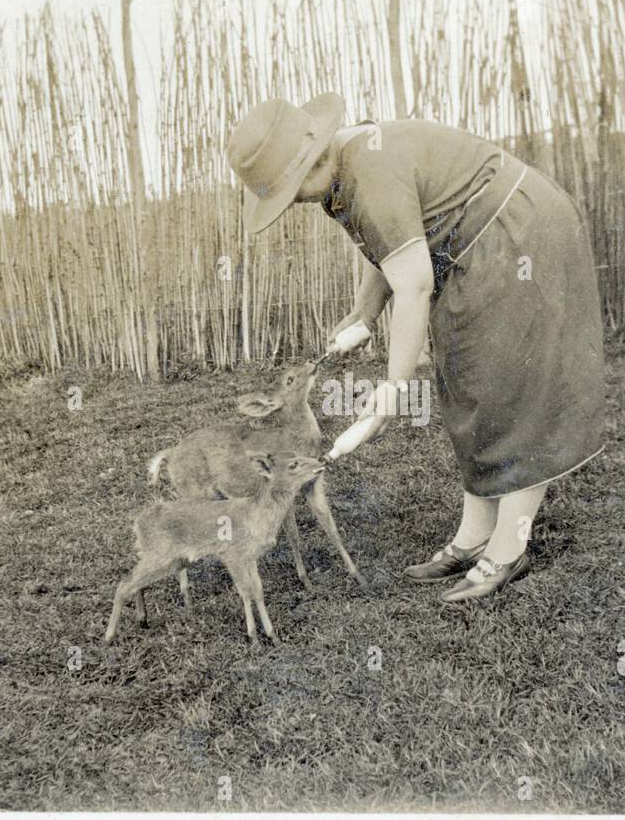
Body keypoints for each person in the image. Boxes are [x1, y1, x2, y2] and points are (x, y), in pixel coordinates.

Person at [225, 93, 605, 602]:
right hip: (472, 246)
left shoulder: (370, 171)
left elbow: (414, 285)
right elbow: (388, 241)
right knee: (466, 378)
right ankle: (474, 536)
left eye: (295, 192)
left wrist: (392, 390)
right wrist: (365, 311)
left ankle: (509, 545)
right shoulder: (345, 164)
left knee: (507, 386)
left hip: (518, 235)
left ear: (315, 160)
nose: (299, 202)